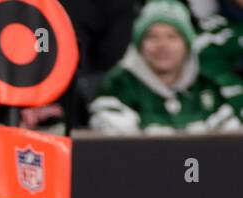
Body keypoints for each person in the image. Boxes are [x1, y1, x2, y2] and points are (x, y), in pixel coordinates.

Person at [89, 0, 243, 133]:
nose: (162, 46)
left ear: (187, 45)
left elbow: (229, 145)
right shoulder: (119, 86)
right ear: (139, 44)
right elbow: (115, 150)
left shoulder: (205, 86)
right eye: (152, 36)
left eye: (172, 36)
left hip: (199, 167)